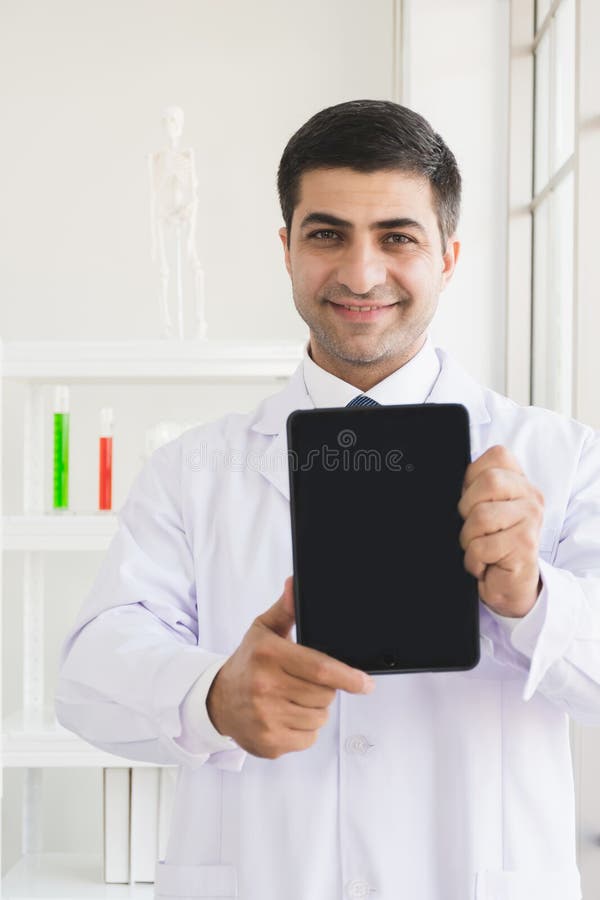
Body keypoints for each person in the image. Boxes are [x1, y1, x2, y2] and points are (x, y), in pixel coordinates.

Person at [55, 100, 600, 900]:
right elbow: (88, 675)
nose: (360, 272)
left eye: (398, 238)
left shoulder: (561, 456)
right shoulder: (192, 469)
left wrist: (531, 597)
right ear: (286, 249)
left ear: (449, 256)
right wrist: (211, 695)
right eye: (326, 234)